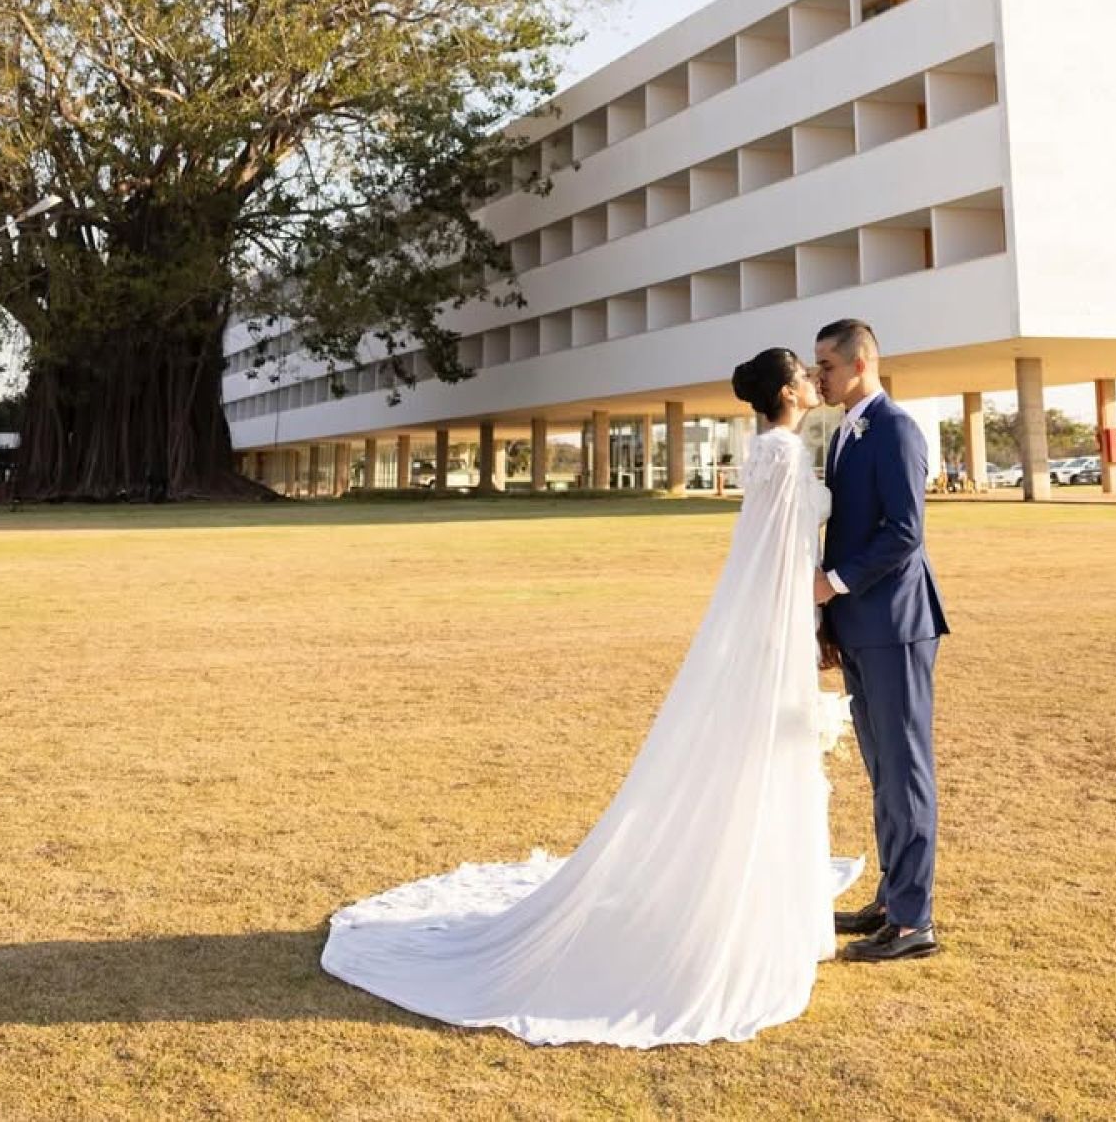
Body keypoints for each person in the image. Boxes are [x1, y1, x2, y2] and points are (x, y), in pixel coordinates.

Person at [320, 348, 861, 1046]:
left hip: (771, 622)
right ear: (788, 389)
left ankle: (764, 893)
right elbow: (782, 559)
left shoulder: (769, 451)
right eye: (807, 372)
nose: (817, 380)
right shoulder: (785, 458)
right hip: (776, 624)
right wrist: (807, 620)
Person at [813, 317, 948, 962]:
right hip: (859, 628)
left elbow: (903, 532)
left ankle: (912, 921)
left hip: (896, 625)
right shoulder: (844, 431)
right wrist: (832, 622)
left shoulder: (895, 429)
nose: (818, 379)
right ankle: (892, 898)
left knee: (906, 771)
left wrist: (831, 584)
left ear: (861, 363)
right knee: (881, 771)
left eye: (827, 368)